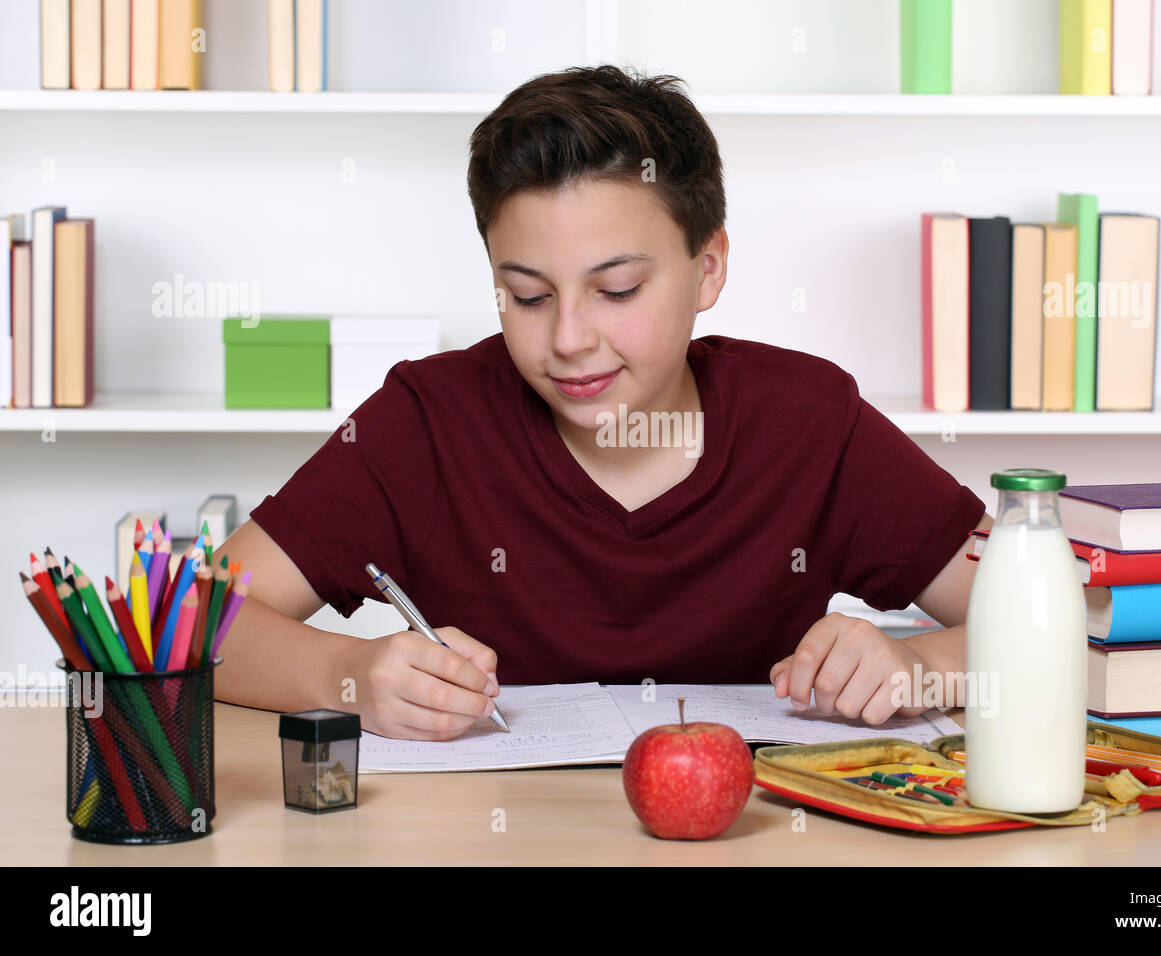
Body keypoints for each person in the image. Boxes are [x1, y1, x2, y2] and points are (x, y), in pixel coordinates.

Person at [212, 64, 993, 741]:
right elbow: (194, 623)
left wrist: (921, 664)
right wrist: (347, 673)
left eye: (616, 289)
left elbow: (1058, 618)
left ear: (708, 268)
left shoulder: (809, 421)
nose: (569, 339)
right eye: (527, 295)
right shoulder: (426, 422)